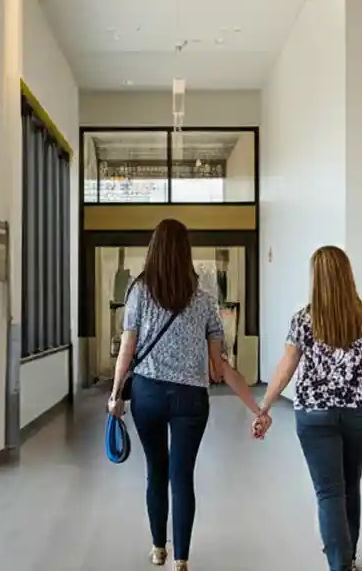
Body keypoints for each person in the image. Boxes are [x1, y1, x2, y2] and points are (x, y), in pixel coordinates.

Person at [108, 219, 264, 571]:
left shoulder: (138, 294)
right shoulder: (205, 301)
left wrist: (116, 394)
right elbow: (219, 366)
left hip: (147, 394)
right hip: (191, 398)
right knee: (182, 476)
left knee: (155, 472)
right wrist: (256, 407)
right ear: (185, 253)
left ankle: (157, 549)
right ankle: (181, 558)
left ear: (154, 251)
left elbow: (127, 350)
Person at [253, 246, 362, 571]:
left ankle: (339, 563)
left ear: (316, 279)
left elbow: (286, 366)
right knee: (350, 485)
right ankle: (347, 558)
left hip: (314, 416)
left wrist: (264, 407)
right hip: (361, 414)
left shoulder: (304, 319)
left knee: (329, 492)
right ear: (347, 275)